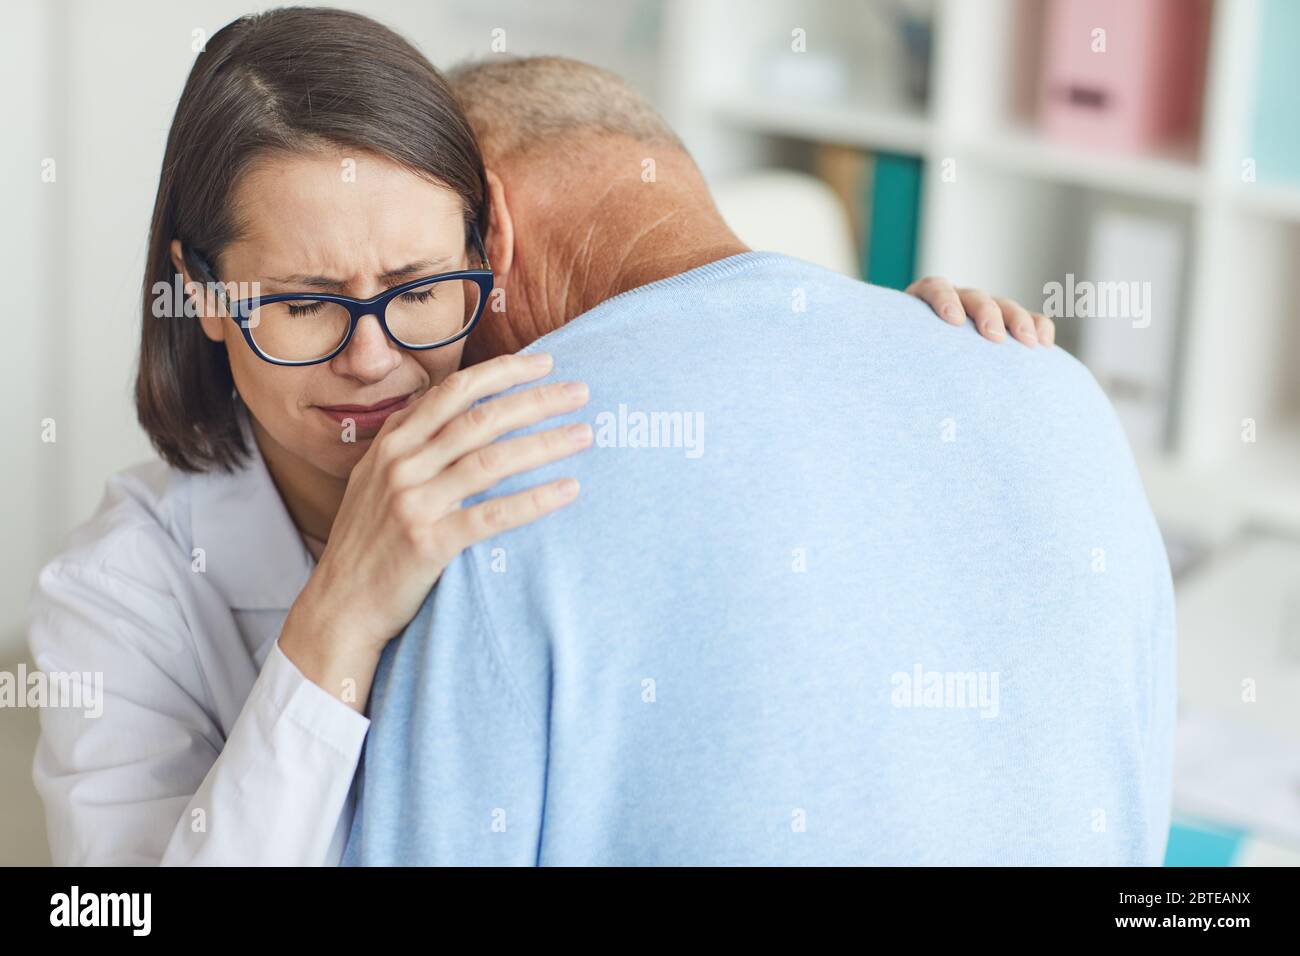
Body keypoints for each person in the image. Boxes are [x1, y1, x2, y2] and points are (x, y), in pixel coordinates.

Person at [25, 9, 1046, 866]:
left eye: (421, 289)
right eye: (303, 305)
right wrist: (333, 620)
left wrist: (900, 352)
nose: (373, 359)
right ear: (202, 292)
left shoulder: (563, 420)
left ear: (489, 249)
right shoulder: (116, 594)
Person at [343, 57, 1176, 867]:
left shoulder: (501, 478)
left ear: (490, 224)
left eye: (418, 285)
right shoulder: (1056, 386)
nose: (414, 358)